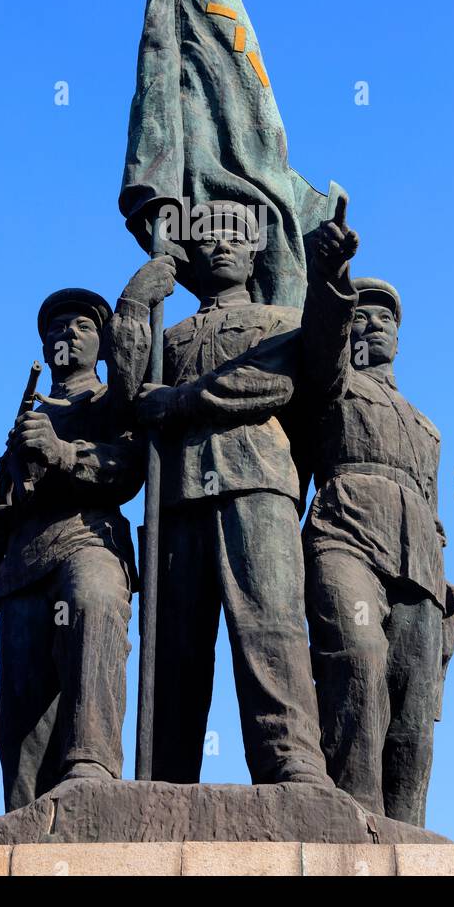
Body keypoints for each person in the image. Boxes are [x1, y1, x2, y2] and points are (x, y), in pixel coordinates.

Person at [106, 201, 333, 788]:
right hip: (176, 497)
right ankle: (164, 777)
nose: (221, 246)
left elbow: (276, 380)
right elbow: (126, 397)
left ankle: (293, 761)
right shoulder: (169, 336)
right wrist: (134, 305)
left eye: (235, 237)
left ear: (256, 250)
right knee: (173, 648)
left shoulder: (281, 321)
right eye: (207, 238)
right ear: (190, 256)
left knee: (271, 625)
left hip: (256, 484)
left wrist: (181, 400)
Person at [301, 216, 454, 826]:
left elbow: (434, 512)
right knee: (358, 663)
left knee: (413, 708)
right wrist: (334, 279)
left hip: (419, 564)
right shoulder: (329, 382)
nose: (373, 324)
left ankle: (405, 832)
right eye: (362, 316)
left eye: (385, 317)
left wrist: (445, 578)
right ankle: (354, 820)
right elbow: (321, 343)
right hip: (345, 534)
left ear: (400, 335)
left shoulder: (428, 428)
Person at [0, 288, 142, 811]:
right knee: (21, 700)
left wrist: (61, 453)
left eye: (82, 327)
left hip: (89, 539)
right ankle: (23, 812)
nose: (67, 334)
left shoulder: (112, 402)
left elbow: (128, 471)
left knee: (95, 603)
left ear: (104, 343)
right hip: (24, 561)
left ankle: (92, 766)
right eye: (57, 328)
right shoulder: (28, 415)